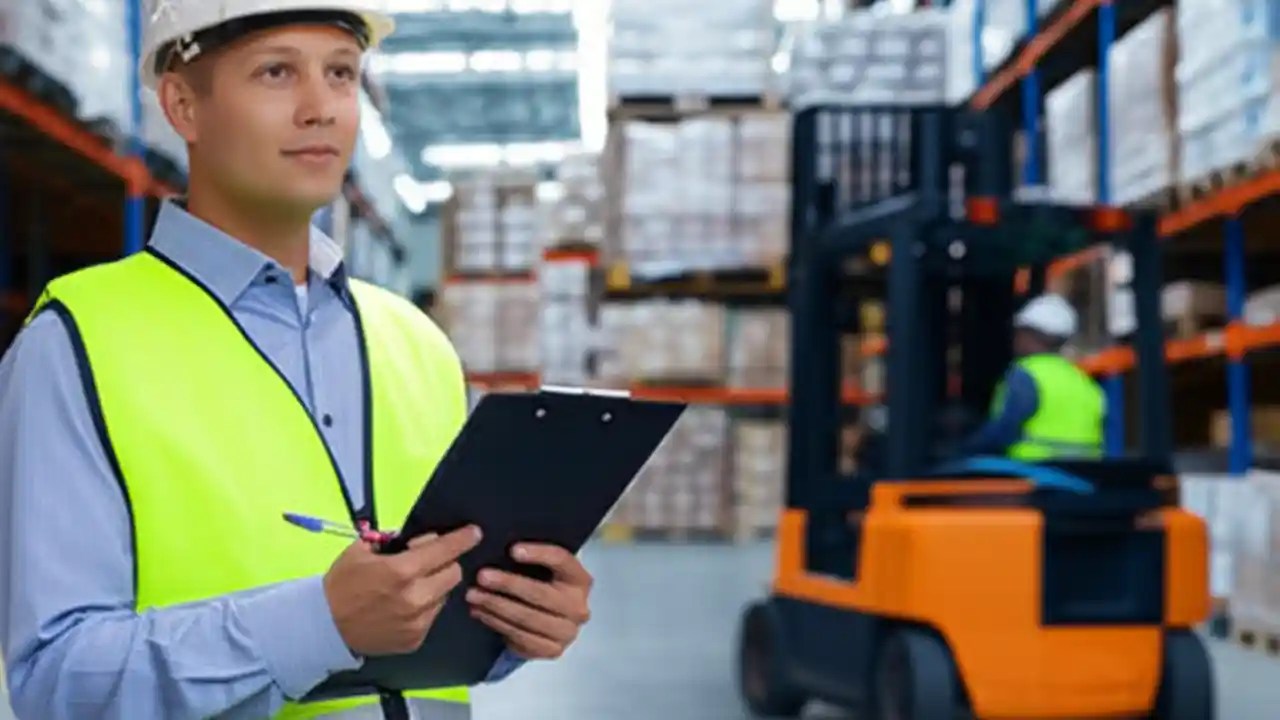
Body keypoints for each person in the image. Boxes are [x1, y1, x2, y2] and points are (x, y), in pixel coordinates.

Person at [0, 2, 594, 718]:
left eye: (342, 74)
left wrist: (513, 621)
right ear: (184, 105)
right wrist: (317, 626)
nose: (322, 108)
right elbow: (56, 683)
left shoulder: (418, 345)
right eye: (277, 71)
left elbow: (432, 628)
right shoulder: (76, 344)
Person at [955, 293, 1106, 460]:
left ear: (1030, 335)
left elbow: (1003, 431)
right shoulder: (1083, 381)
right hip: (1083, 478)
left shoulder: (1025, 375)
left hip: (1033, 475)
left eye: (1018, 333)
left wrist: (961, 450)